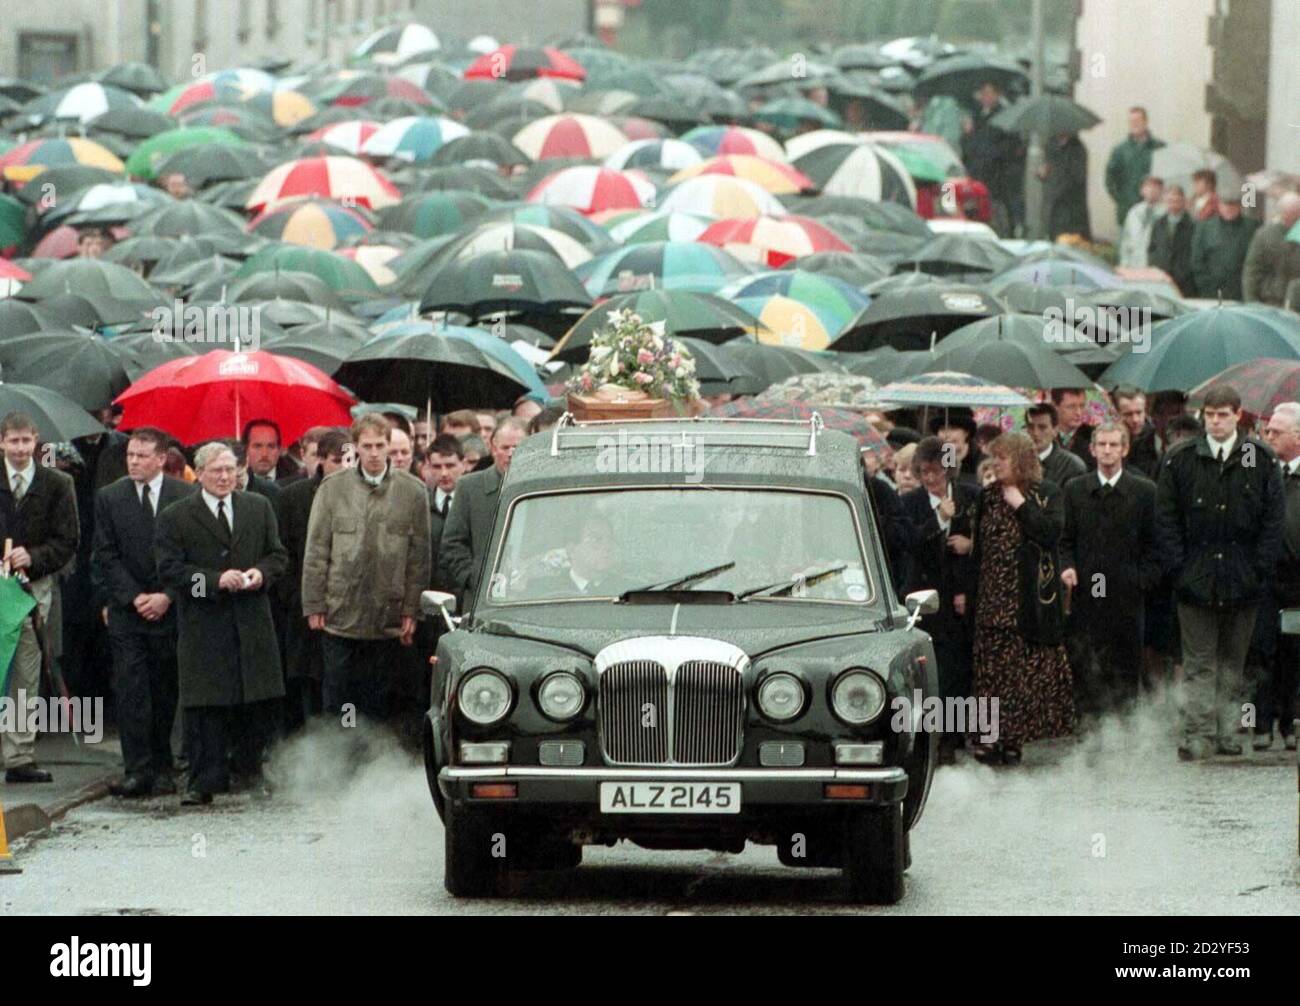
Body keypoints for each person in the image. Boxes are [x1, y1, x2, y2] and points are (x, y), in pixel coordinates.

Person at [154, 442, 288, 804]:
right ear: (199, 474)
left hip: (251, 623)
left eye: (231, 469)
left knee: (254, 703)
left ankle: (251, 773)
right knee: (206, 708)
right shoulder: (176, 516)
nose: (226, 477)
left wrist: (260, 574)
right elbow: (171, 571)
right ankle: (204, 781)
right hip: (204, 627)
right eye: (217, 471)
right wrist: (213, 582)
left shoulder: (258, 508)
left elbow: (278, 556)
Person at [1154, 385, 1284, 759]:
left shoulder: (1258, 459)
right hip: (1196, 575)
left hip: (1243, 576)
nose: (1215, 421)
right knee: (1198, 663)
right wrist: (1179, 568)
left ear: (1238, 415)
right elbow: (1166, 519)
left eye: (1222, 414)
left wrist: (1259, 569)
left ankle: (1227, 731)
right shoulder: (1181, 460)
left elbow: (1271, 521)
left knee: (1234, 661)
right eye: (1209, 415)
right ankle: (1197, 733)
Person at [301, 413, 431, 722]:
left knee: (378, 698)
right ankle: (340, 755)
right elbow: (317, 550)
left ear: (389, 446)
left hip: (387, 616)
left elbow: (419, 558)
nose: (374, 453)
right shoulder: (332, 488)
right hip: (340, 613)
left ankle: (373, 761)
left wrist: (412, 609)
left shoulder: (413, 492)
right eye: (367, 445)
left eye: (380, 445)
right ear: (355, 447)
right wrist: (314, 603)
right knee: (340, 696)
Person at [91, 427, 195, 797]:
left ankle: (164, 766)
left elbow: (189, 553)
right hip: (127, 610)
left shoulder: (185, 495)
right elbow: (105, 553)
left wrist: (166, 595)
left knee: (165, 688)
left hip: (169, 608)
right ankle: (137, 768)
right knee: (132, 688)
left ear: (161, 459)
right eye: (130, 454)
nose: (133, 461)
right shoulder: (110, 497)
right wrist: (134, 596)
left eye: (141, 455)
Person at [968, 432, 1074, 764]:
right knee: (989, 673)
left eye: (1003, 457)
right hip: (990, 597)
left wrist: (1021, 505)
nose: (996, 463)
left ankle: (1013, 739)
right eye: (994, 457)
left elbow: (1050, 534)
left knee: (1019, 674)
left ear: (1020, 460)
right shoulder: (986, 497)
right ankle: (988, 738)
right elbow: (979, 549)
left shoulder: (1046, 493)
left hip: (1026, 600)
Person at [1060, 424, 1160, 720]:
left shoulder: (1144, 491)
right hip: (1086, 594)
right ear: (1091, 449)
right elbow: (1064, 539)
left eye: (1113, 445)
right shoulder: (1075, 489)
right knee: (1086, 659)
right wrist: (1067, 567)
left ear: (1125, 449)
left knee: (1126, 662)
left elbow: (1155, 544)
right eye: (1101, 444)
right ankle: (1089, 726)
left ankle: (1126, 727)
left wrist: (1141, 580)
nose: (1107, 450)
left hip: (1126, 595)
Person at [0, 413, 79, 784]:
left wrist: (33, 557)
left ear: (36, 442)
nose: (19, 449)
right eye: (12, 441)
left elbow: (68, 541)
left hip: (31, 591)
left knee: (25, 672)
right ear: (1, 442)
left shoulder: (58, 484)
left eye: (25, 441)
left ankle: (18, 755)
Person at [900, 437, 977, 762]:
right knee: (930, 668)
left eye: (936, 471)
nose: (931, 479)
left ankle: (957, 737)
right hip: (924, 596)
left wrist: (971, 546)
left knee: (959, 669)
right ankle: (930, 736)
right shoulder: (911, 502)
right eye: (924, 471)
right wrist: (940, 520)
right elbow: (911, 542)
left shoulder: (970, 496)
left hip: (960, 597)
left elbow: (988, 541)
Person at [273, 428, 351, 730]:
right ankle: (311, 758)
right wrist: (302, 599)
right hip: (306, 617)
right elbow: (283, 556)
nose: (345, 467)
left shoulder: (364, 495)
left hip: (350, 616)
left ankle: (346, 752)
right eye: (337, 460)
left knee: (346, 697)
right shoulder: (293, 497)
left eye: (350, 459)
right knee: (310, 691)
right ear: (320, 460)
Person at [440, 417, 527, 609]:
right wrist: (474, 577)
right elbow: (452, 542)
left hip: (528, 596)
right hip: (481, 600)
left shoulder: (539, 487)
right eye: (505, 448)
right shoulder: (470, 486)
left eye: (517, 447)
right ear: (493, 448)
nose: (511, 454)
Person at [1257, 403, 1300, 751]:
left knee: (1293, 653)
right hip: (1264, 579)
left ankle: (1289, 722)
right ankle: (1259, 723)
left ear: (1298, 437)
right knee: (1260, 652)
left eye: (1276, 432)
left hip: (1297, 583)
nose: (1268, 437)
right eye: (1267, 431)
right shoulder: (1259, 470)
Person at [961, 80, 1024, 235]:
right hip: (977, 176)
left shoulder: (1005, 117)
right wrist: (968, 134)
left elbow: (1009, 148)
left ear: (997, 95)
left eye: (988, 93)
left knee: (997, 217)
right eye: (982, 93)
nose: (985, 97)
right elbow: (968, 149)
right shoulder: (976, 117)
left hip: (998, 178)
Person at [1190, 195, 1261, 300]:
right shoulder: (1205, 228)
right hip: (1212, 293)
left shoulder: (1252, 227)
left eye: (1233, 205)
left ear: (1239, 206)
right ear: (1219, 206)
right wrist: (1207, 288)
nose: (1229, 209)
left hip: (1243, 293)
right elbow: (1197, 261)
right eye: (1225, 205)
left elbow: (1258, 260)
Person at [1105, 106, 1165, 227]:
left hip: (1154, 210)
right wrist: (1121, 200)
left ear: (1146, 122)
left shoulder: (1159, 148)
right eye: (1131, 122)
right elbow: (1110, 178)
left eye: (1138, 121)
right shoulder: (1120, 151)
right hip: (1127, 211)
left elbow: (1167, 177)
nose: (1134, 124)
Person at [420, 435, 464, 594]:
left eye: (450, 465)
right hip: (430, 594)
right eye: (437, 467)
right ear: (428, 467)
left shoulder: (472, 504)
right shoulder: (421, 504)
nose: (444, 473)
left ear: (463, 465)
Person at [1242, 191, 1300, 306]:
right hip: (1271, 300)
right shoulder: (1264, 235)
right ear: (1283, 213)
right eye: (1292, 214)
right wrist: (1251, 302)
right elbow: (1252, 270)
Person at [1040, 131, 1090, 240]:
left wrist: (1057, 175)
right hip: (1053, 209)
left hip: (1072, 210)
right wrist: (1044, 173)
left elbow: (1078, 177)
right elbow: (1048, 171)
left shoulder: (1077, 148)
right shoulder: (1050, 146)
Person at [1147, 184, 1196, 294]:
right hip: (1161, 279)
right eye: (1170, 200)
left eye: (1176, 201)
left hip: (1184, 281)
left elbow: (1194, 253)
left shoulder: (1193, 225)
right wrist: (1155, 269)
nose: (1173, 204)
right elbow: (1152, 248)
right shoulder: (1158, 224)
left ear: (1183, 201)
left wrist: (1184, 272)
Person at [1024, 402, 1086, 488]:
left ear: (1055, 430)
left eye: (1042, 427)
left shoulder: (1072, 466)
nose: (1035, 433)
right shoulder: (1016, 461)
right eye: (1031, 427)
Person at [1113, 387, 1160, 478]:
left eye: (1139, 413)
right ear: (1116, 414)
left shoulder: (1155, 440)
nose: (1135, 420)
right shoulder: (1108, 441)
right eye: (1128, 414)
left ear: (1145, 411)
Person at [1119, 175, 1164, 268]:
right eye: (1148, 187)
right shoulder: (1134, 212)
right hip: (1134, 265)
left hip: (1156, 267)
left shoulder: (1165, 214)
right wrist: (1124, 264)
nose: (1151, 191)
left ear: (1161, 191)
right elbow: (1126, 241)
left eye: (1156, 188)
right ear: (1142, 190)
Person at [241, 418, 300, 484]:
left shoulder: (296, 480)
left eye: (271, 446)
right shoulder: (233, 479)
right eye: (257, 446)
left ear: (279, 450)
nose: (264, 454)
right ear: (245, 449)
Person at [1052, 388, 1094, 466]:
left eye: (1082, 406)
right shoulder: (1041, 434)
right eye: (1071, 407)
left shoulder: (1094, 436)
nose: (1078, 412)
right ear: (1055, 406)